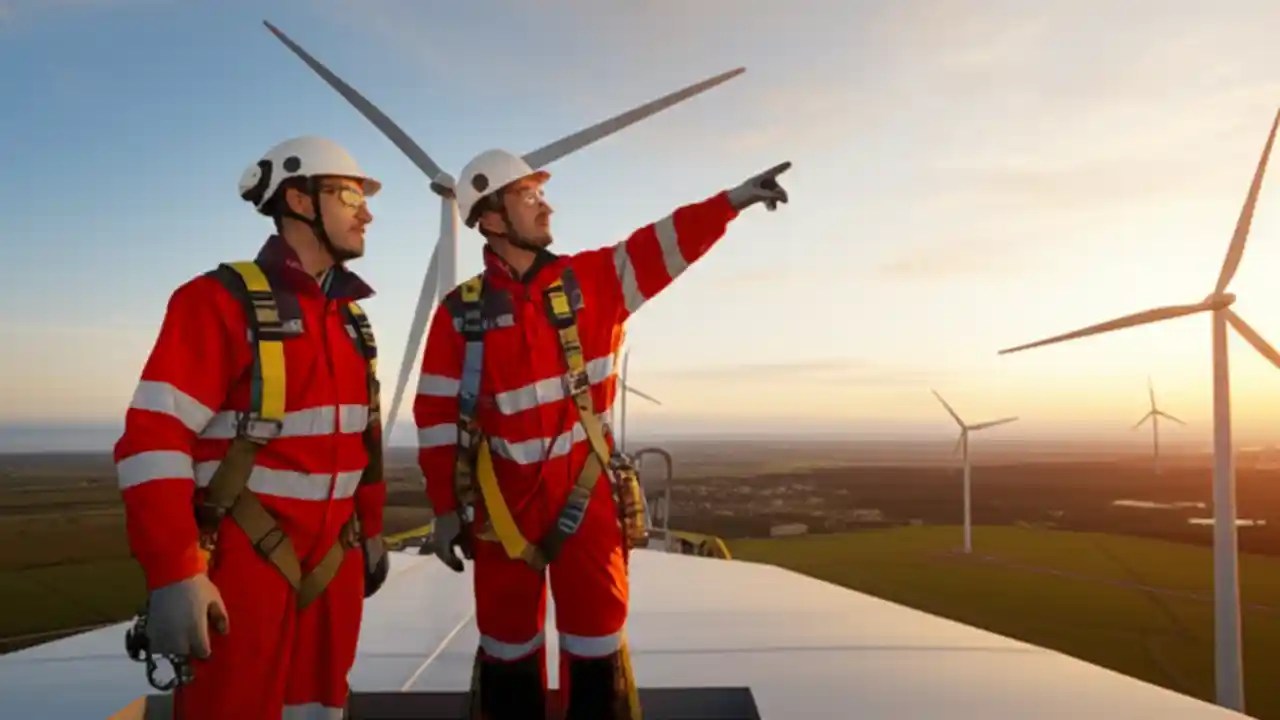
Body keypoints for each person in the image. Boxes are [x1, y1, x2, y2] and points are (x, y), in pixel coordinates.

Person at [413, 148, 790, 719]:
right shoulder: (459, 313)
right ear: (490, 218)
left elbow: (661, 245)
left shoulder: (594, 281)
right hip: (500, 507)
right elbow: (436, 417)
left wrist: (731, 201)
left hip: (585, 500)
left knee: (596, 644)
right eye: (530, 196)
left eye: (541, 194)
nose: (546, 206)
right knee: (507, 649)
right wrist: (445, 508)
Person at [113, 135, 391, 720]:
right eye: (349, 194)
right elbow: (152, 440)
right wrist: (174, 574)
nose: (366, 212)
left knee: (319, 710)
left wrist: (371, 530)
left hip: (334, 567)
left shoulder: (352, 321)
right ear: (298, 199)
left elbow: (364, 442)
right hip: (243, 569)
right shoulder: (217, 301)